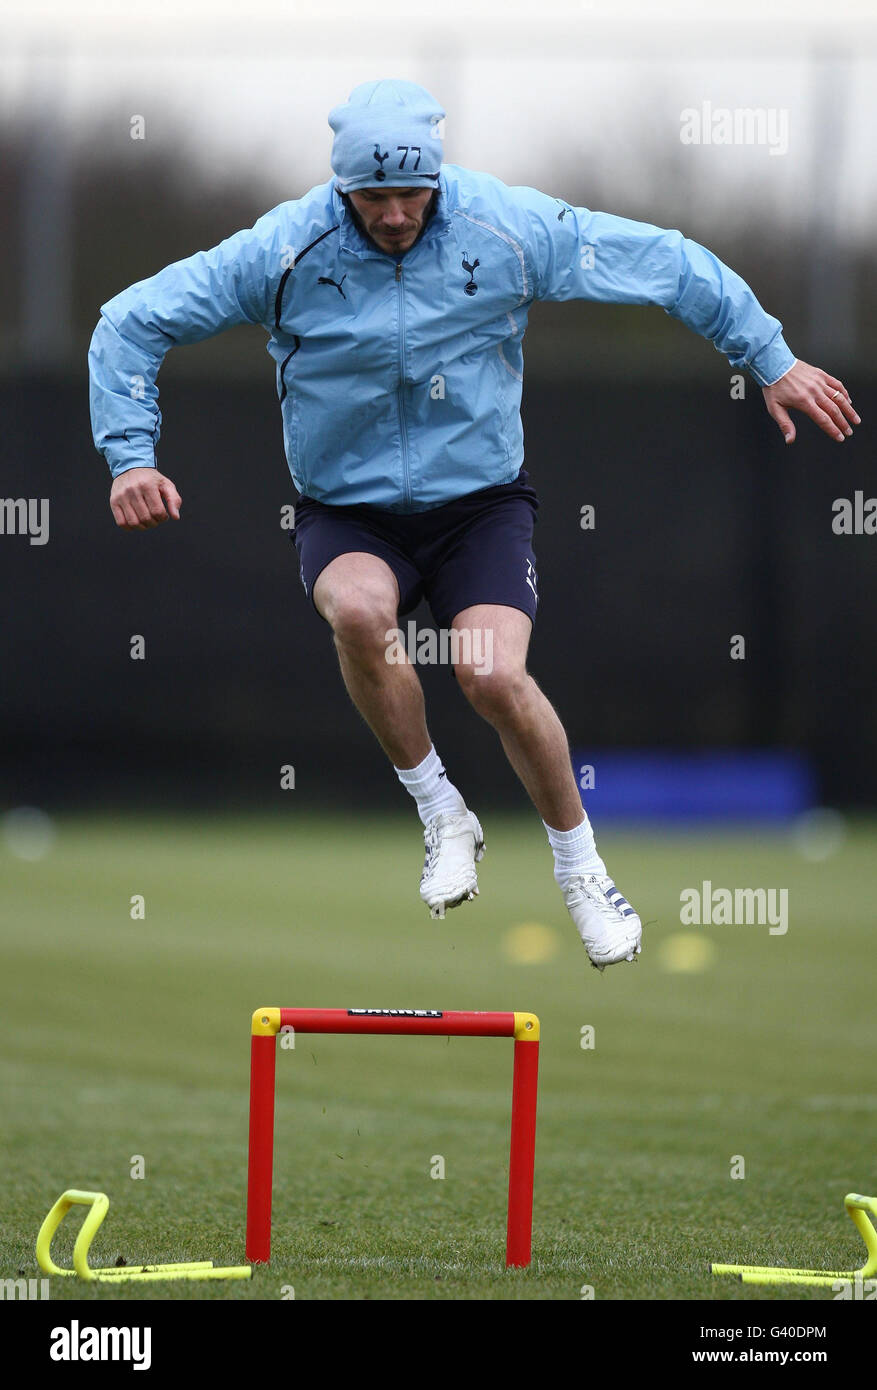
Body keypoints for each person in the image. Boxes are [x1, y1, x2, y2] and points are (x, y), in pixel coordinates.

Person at [88, 78, 859, 972]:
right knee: (357, 612)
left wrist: (766, 358)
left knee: (490, 677)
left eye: (408, 193)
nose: (391, 213)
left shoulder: (507, 229)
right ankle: (441, 813)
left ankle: (581, 870)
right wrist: (130, 456)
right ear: (341, 191)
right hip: (348, 509)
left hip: (478, 508)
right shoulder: (284, 249)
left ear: (436, 177)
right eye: (370, 197)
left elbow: (666, 263)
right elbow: (129, 322)